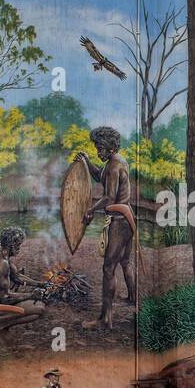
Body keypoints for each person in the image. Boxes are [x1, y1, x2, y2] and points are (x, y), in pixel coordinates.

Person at [75, 126, 135, 330]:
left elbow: (109, 197)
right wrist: (87, 161)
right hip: (128, 218)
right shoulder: (118, 161)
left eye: (100, 148)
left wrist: (90, 210)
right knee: (125, 261)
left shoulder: (113, 166)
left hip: (119, 221)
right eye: (96, 148)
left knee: (108, 268)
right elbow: (99, 175)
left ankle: (105, 319)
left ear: (110, 147)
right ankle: (133, 299)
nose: (98, 152)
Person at [0, 226, 45, 336]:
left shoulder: (3, 256)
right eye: (18, 246)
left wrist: (41, 284)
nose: (19, 249)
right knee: (40, 309)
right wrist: (32, 295)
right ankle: (1, 327)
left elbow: (17, 277)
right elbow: (6, 298)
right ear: (11, 246)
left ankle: (3, 326)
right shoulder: (2, 264)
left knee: (37, 306)